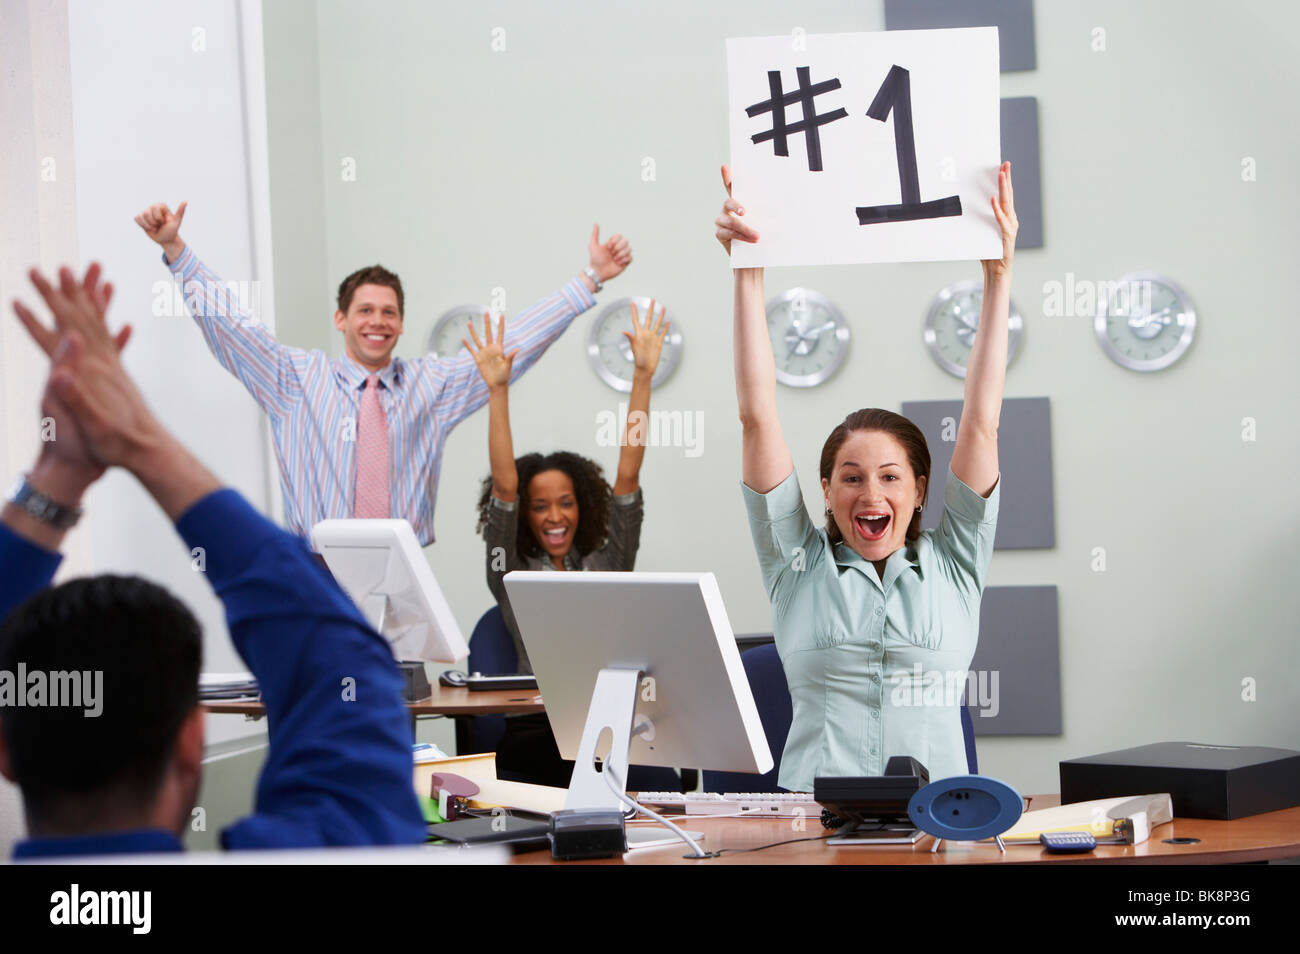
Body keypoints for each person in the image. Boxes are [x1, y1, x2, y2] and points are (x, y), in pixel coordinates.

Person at [1, 264, 425, 857]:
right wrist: (142, 441)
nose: (377, 322)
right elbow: (345, 670)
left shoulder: (425, 386)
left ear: (6, 750)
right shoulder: (318, 850)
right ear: (191, 742)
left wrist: (58, 473)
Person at [716, 161, 1017, 790]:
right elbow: (756, 416)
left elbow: (981, 424)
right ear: (825, 490)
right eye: (851, 477)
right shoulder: (795, 563)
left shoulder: (957, 562)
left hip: (939, 820)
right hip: (813, 826)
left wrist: (997, 275)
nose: (871, 493)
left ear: (919, 492)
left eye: (889, 477)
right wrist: (747, 273)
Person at [134, 201, 633, 544]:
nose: (377, 322)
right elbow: (234, 328)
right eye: (365, 311)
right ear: (341, 319)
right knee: (322, 694)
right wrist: (179, 254)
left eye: (389, 312)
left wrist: (587, 280)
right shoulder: (295, 380)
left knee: (398, 698)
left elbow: (511, 348)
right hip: (316, 570)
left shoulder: (430, 387)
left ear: (400, 324)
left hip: (402, 576)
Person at [463, 303, 670, 788]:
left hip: (611, 728)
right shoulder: (511, 575)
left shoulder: (608, 562)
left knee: (659, 781)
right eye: (539, 507)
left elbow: (627, 474)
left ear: (583, 507)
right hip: (536, 732)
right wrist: (497, 391)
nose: (554, 516)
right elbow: (504, 487)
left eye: (565, 503)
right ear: (525, 518)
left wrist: (642, 377)